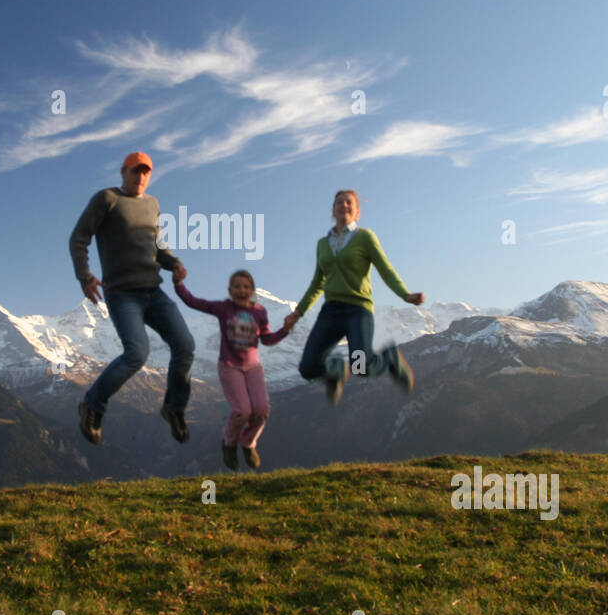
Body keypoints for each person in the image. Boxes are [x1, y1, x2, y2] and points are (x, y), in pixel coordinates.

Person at [69, 151, 195, 445]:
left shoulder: (152, 205)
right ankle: (92, 404)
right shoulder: (106, 199)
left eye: (145, 172)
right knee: (137, 353)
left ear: (150, 176)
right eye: (134, 171)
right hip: (122, 293)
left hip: (154, 290)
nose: (140, 177)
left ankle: (173, 408)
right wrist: (85, 277)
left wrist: (174, 263)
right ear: (123, 172)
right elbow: (79, 238)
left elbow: (157, 247)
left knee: (185, 345)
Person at [285, 189, 425, 405]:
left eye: (349, 202)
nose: (344, 205)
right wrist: (297, 313)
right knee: (308, 368)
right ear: (333, 210)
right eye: (339, 202)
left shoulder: (364, 237)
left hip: (357, 311)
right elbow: (317, 283)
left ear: (357, 212)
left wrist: (405, 294)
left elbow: (385, 269)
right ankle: (336, 369)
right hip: (331, 312)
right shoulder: (323, 244)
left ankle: (389, 358)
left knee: (361, 367)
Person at [174, 270, 294, 471]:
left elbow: (266, 339)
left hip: (253, 367)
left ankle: (248, 443)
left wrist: (284, 330)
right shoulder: (223, 308)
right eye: (237, 286)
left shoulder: (260, 312)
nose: (242, 290)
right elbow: (194, 302)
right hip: (230, 367)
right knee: (242, 411)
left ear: (252, 290)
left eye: (246, 287)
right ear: (230, 290)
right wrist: (179, 284)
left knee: (262, 410)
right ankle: (229, 443)